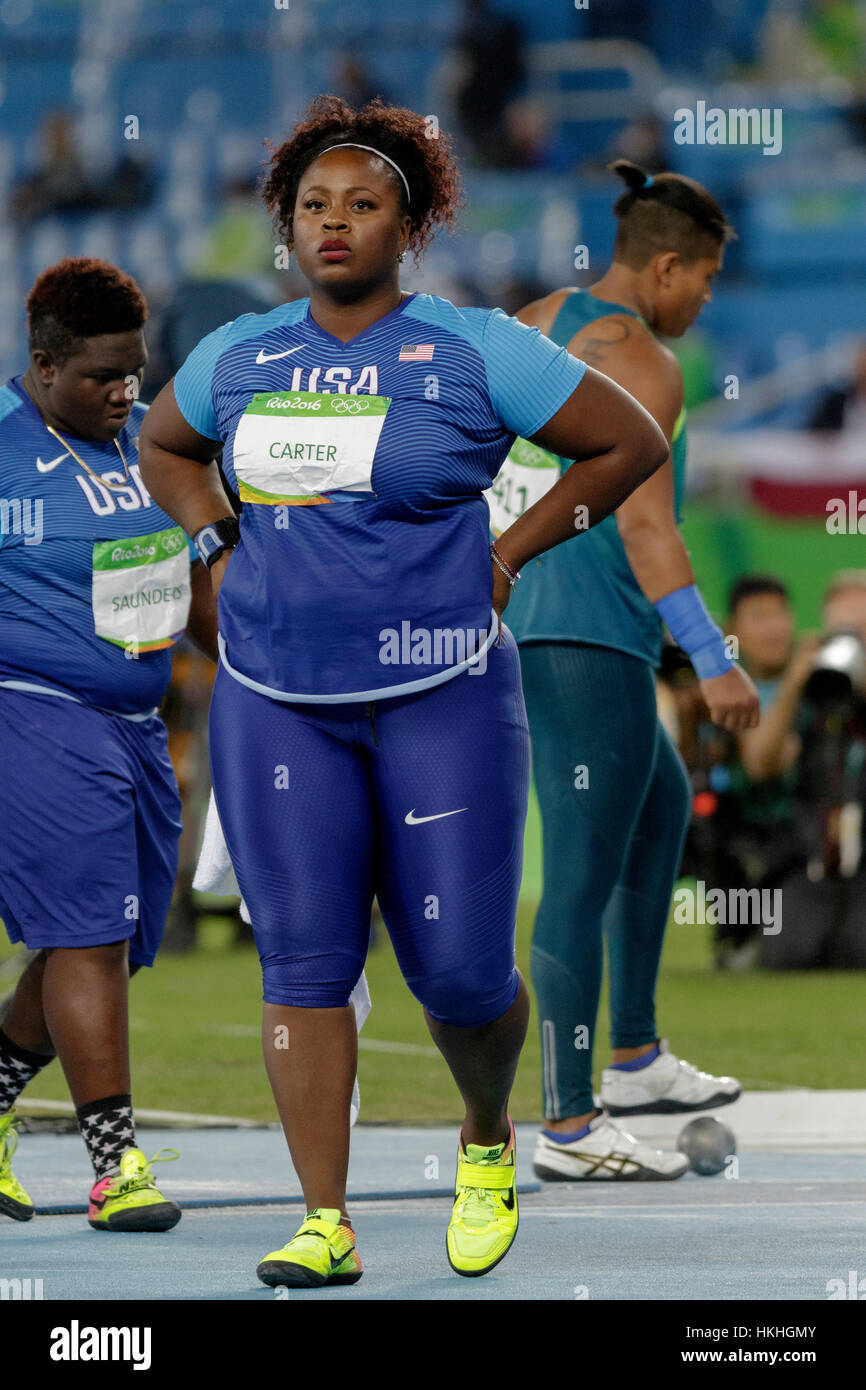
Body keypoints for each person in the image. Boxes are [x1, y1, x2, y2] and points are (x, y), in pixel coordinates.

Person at [138, 95, 667, 1288]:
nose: (332, 224)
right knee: (303, 964)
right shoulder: (238, 353)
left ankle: (485, 1138)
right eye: (312, 206)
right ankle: (323, 1220)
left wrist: (508, 553)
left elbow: (625, 445)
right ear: (286, 225)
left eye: (361, 204)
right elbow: (162, 446)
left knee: (462, 973)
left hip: (440, 693)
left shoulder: (478, 347)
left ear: (410, 223)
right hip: (275, 696)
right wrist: (214, 542)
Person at [495, 161, 760, 1182]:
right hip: (585, 637)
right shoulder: (646, 364)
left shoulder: (534, 317)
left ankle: (636, 1054)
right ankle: (565, 1123)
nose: (703, 298)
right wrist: (711, 660)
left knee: (655, 811)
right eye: (700, 280)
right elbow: (648, 527)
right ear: (663, 266)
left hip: (530, 622)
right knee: (574, 874)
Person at [0, 257, 217, 1230]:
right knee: (85, 928)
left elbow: (204, 581)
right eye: (101, 376)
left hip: (138, 724)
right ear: (42, 366)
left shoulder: (157, 446)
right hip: (32, 710)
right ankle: (115, 1163)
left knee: (103, 941)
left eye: (135, 370)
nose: (124, 390)